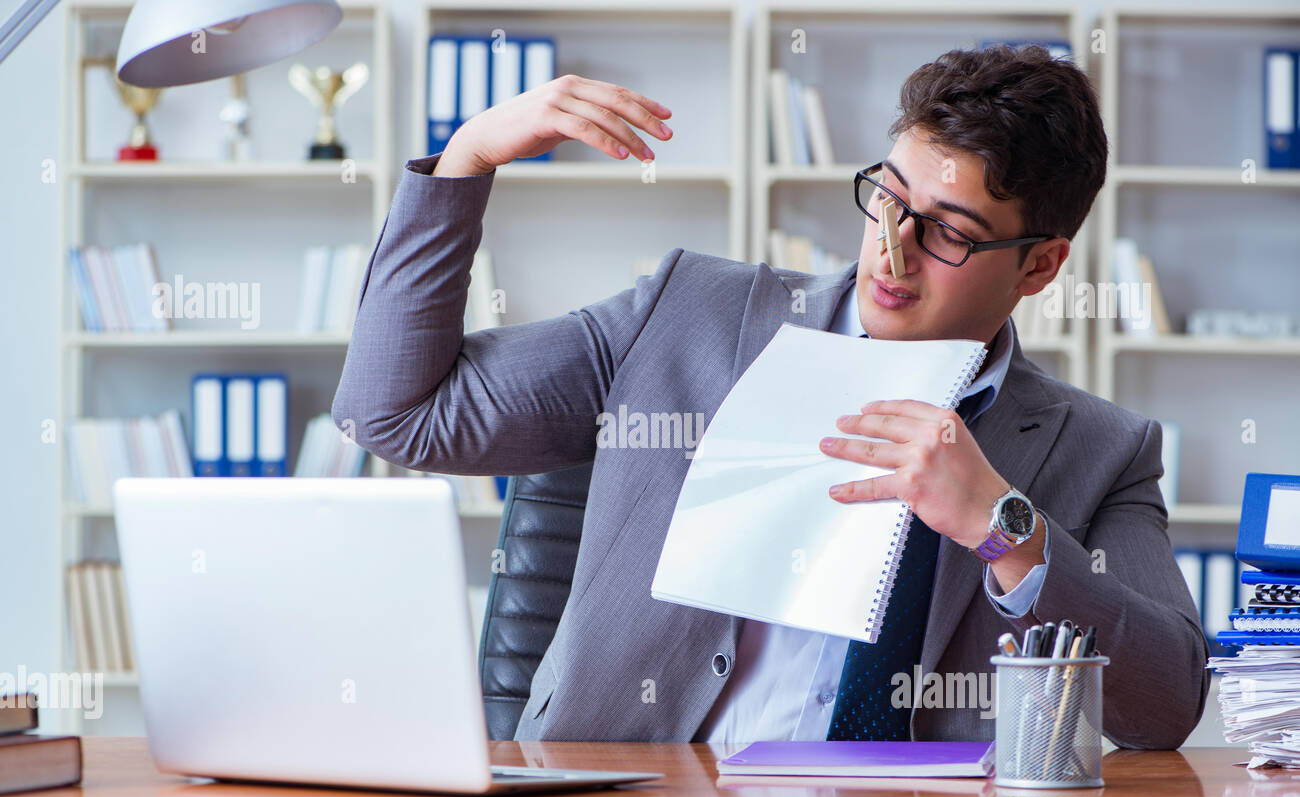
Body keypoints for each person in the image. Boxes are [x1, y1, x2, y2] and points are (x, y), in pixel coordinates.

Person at [332, 45, 1209, 748]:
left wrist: (1004, 528)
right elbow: (396, 413)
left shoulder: (1103, 449)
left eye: (948, 231)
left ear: (1040, 266)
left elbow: (1167, 704)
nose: (892, 250)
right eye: (889, 199)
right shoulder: (687, 315)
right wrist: (465, 159)